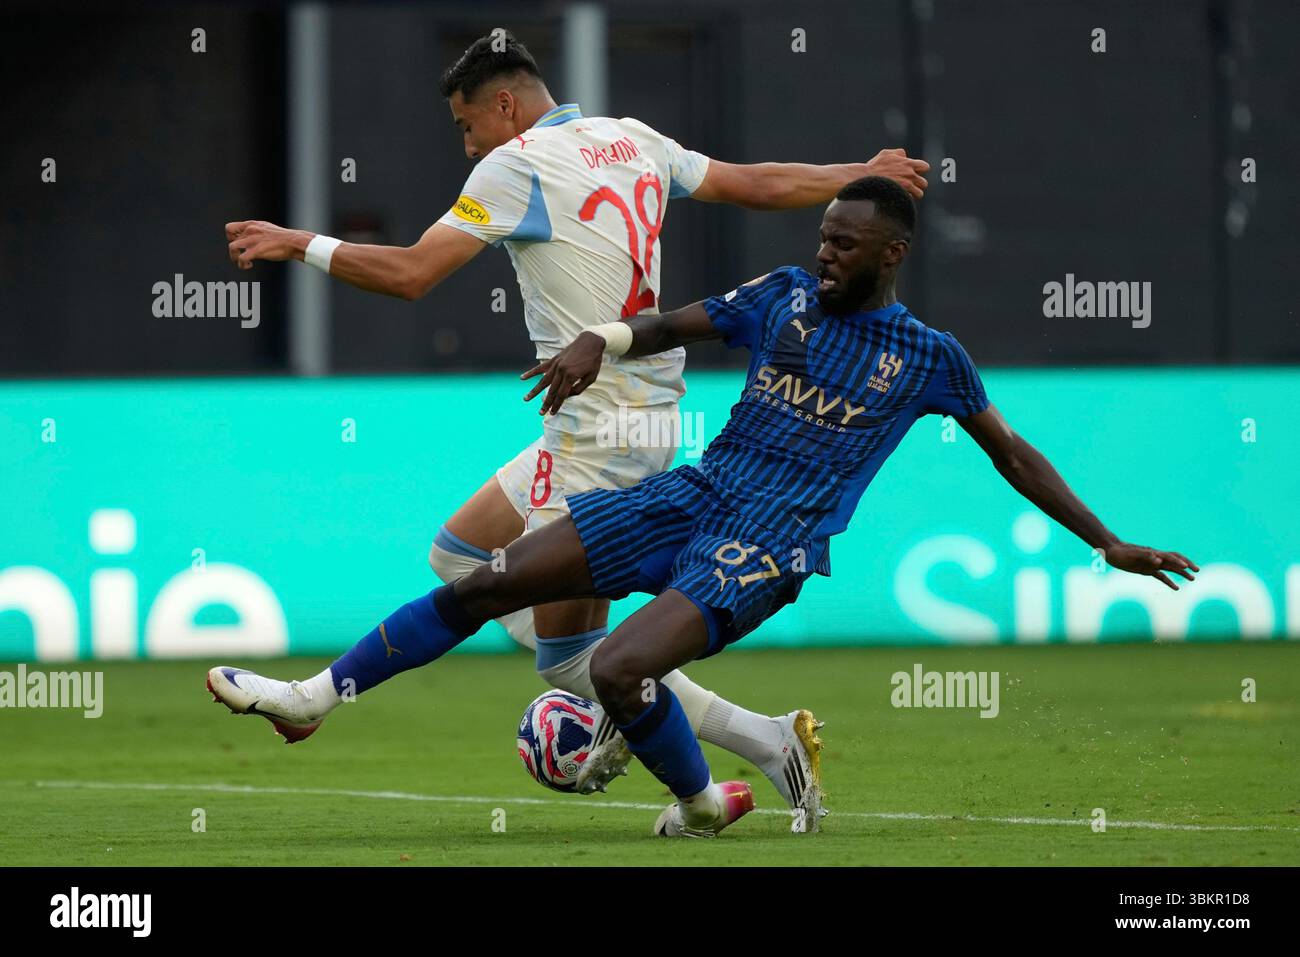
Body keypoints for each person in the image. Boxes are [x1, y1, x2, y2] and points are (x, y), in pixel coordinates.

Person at [214, 176, 1198, 837]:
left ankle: (698, 799)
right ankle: (312, 702)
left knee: (617, 666)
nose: (826, 255)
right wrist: (601, 337)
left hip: (770, 540)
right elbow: (674, 322)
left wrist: (1103, 540)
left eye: (846, 246)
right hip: (694, 494)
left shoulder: (929, 358)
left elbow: (1011, 453)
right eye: (822, 238)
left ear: (891, 255)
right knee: (487, 582)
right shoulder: (782, 296)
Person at [215, 31, 930, 827]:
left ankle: (317, 698)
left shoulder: (513, 164)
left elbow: (413, 273)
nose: (467, 144)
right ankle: (754, 738)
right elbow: (755, 182)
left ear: (507, 106)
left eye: (466, 124)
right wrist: (859, 175)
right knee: (457, 553)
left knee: (565, 658)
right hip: (625, 421)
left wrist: (296, 243)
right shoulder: (633, 138)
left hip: (598, 438)